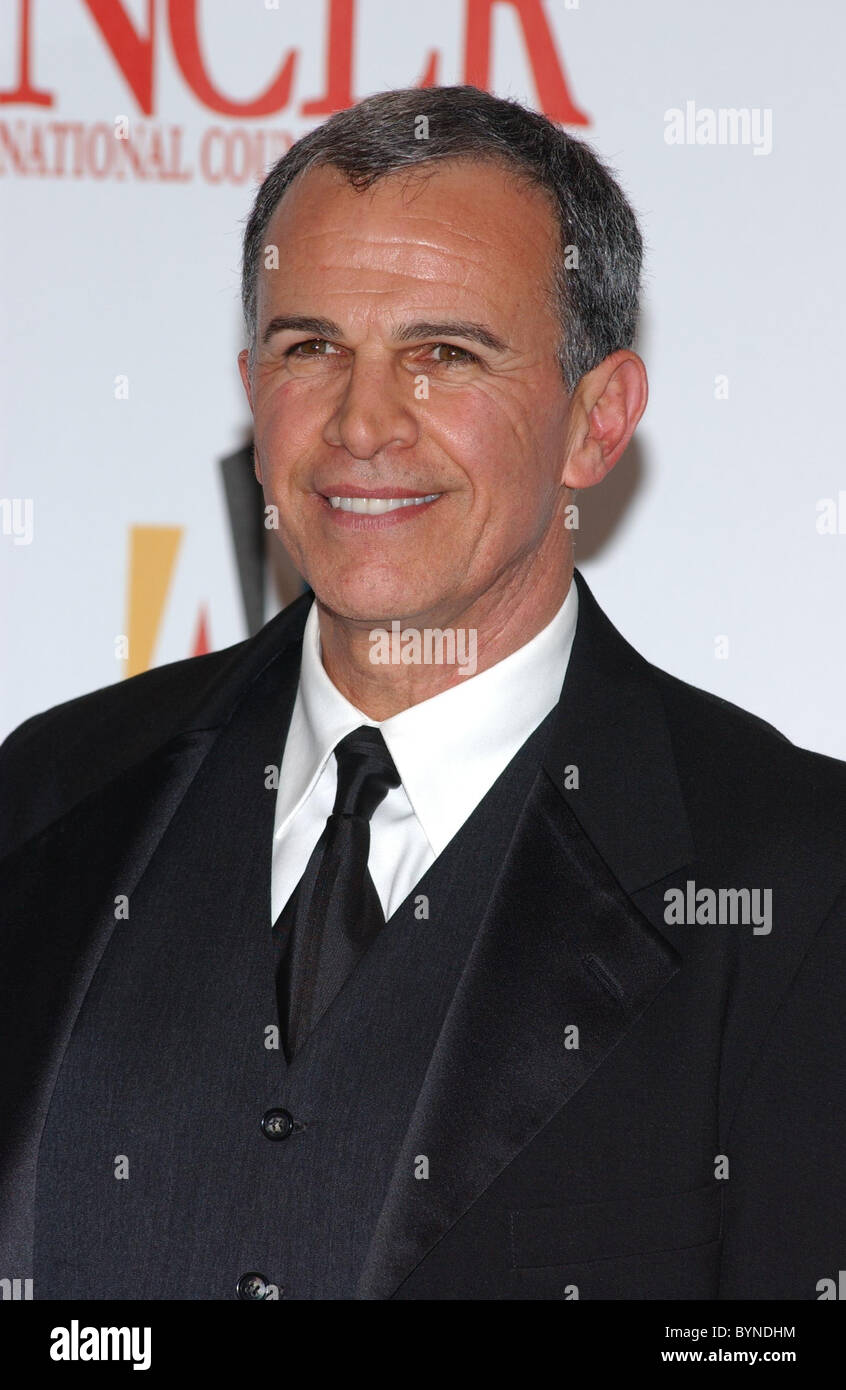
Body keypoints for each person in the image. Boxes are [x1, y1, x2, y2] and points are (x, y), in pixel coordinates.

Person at [1, 85, 844, 1302]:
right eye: (311, 348)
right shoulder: (52, 796)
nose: (361, 423)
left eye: (443, 355)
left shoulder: (798, 880)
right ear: (253, 388)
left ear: (596, 421)